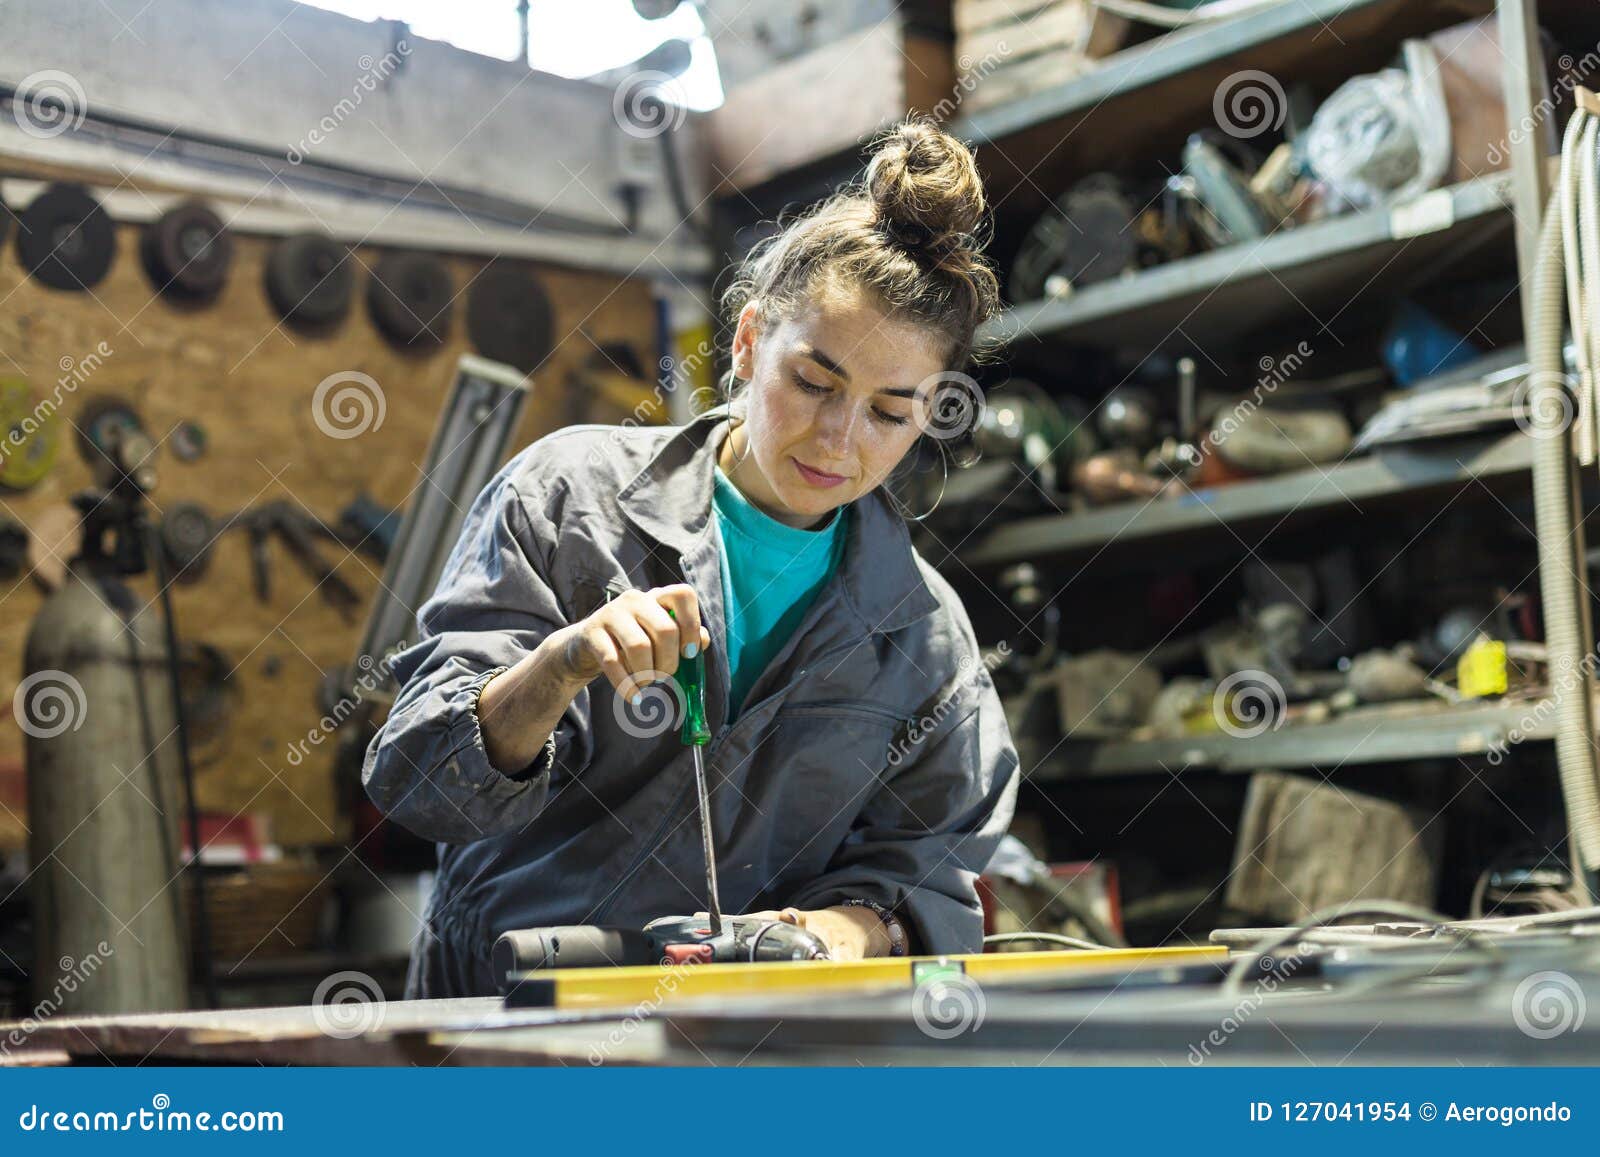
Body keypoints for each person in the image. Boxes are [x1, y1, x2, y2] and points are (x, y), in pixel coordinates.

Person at [363, 118, 1021, 998]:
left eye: (890, 412)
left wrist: (842, 929)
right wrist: (562, 664)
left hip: (743, 1055)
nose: (839, 436)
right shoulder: (568, 500)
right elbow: (416, 783)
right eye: (815, 383)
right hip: (499, 1028)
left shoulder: (925, 638)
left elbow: (932, 876)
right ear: (749, 342)